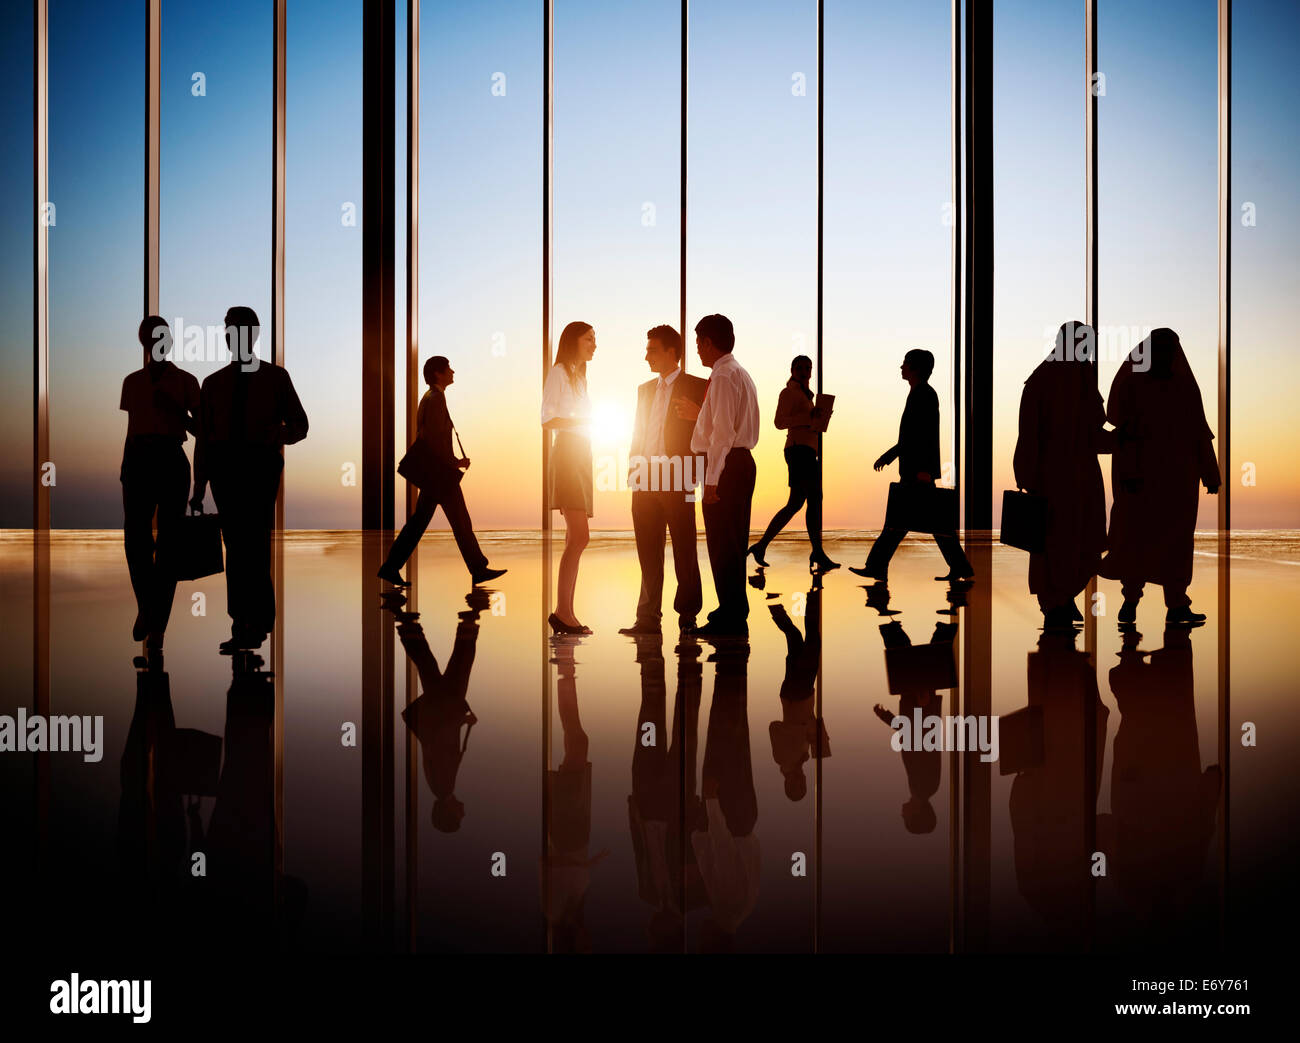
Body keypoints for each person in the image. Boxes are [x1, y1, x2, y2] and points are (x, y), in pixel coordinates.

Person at [191, 306, 308, 653]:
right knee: (241, 545)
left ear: (252, 335)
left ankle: (251, 620)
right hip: (229, 469)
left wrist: (278, 434)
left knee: (251, 544)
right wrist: (199, 486)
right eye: (229, 330)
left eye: (237, 329)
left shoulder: (275, 378)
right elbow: (205, 439)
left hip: (257, 466)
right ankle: (247, 620)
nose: (232, 336)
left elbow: (300, 425)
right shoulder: (215, 384)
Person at [1099, 328, 1220, 626]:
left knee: (1171, 543)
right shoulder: (1140, 388)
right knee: (1139, 541)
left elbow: (1198, 435)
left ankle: (1170, 603)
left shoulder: (1177, 388)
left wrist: (1210, 473)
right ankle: (1138, 601)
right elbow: (1125, 435)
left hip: (1175, 484)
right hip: (1147, 482)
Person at [1013, 322, 1115, 629]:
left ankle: (1056, 598)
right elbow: (1092, 431)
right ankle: (1059, 598)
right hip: (1075, 476)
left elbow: (1029, 433)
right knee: (1078, 538)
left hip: (1050, 476)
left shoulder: (1042, 377)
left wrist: (1025, 473)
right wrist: (1123, 441)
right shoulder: (1078, 379)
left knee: (1054, 541)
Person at [378, 356, 506, 588]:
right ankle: (478, 569)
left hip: (436, 475)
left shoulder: (431, 397)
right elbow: (435, 440)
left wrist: (453, 461)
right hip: (441, 476)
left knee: (420, 523)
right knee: (460, 522)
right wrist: (454, 463)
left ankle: (391, 567)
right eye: (449, 368)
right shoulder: (436, 398)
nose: (453, 371)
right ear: (438, 373)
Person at [849, 348, 973, 583]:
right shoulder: (921, 393)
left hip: (917, 470)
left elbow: (924, 436)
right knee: (926, 523)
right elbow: (913, 437)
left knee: (899, 523)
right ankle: (959, 567)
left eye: (905, 363)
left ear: (915, 368)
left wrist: (923, 469)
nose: (901, 367)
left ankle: (876, 566)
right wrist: (891, 455)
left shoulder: (923, 395)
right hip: (916, 469)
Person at [618, 325, 707, 637]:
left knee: (684, 548)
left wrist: (697, 471)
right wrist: (632, 468)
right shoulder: (644, 390)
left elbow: (710, 431)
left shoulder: (698, 386)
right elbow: (637, 431)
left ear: (672, 352)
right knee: (647, 550)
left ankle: (688, 617)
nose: (646, 356)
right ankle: (647, 619)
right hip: (644, 476)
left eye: (652, 350)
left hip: (679, 474)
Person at [120, 316, 200, 650]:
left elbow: (202, 430)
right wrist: (126, 466)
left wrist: (176, 412)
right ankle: (147, 608)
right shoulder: (132, 381)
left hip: (170, 458)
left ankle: (157, 625)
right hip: (139, 458)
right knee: (135, 539)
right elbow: (132, 427)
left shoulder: (185, 381)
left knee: (169, 545)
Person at [681, 314, 760, 638]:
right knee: (732, 541)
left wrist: (712, 478)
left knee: (722, 543)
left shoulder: (725, 376)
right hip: (739, 463)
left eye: (698, 342)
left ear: (708, 342)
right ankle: (732, 609)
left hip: (726, 466)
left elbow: (723, 433)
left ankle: (730, 614)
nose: (697, 350)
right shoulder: (738, 373)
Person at [748, 354, 838, 574]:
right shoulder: (789, 393)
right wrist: (808, 418)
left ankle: (761, 546)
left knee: (796, 503)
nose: (804, 371)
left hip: (806, 450)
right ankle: (817, 551)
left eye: (808, 368)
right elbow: (779, 422)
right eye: (799, 368)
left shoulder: (807, 396)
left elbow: (806, 423)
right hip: (798, 451)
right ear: (792, 370)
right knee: (814, 498)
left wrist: (819, 419)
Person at [542, 321, 597, 635]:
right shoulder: (559, 373)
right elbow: (546, 419)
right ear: (573, 341)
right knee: (580, 536)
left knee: (573, 537)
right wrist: (583, 418)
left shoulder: (580, 378)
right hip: (567, 455)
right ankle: (563, 612)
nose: (594, 344)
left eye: (594, 339)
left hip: (581, 454)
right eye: (589, 338)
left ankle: (566, 612)